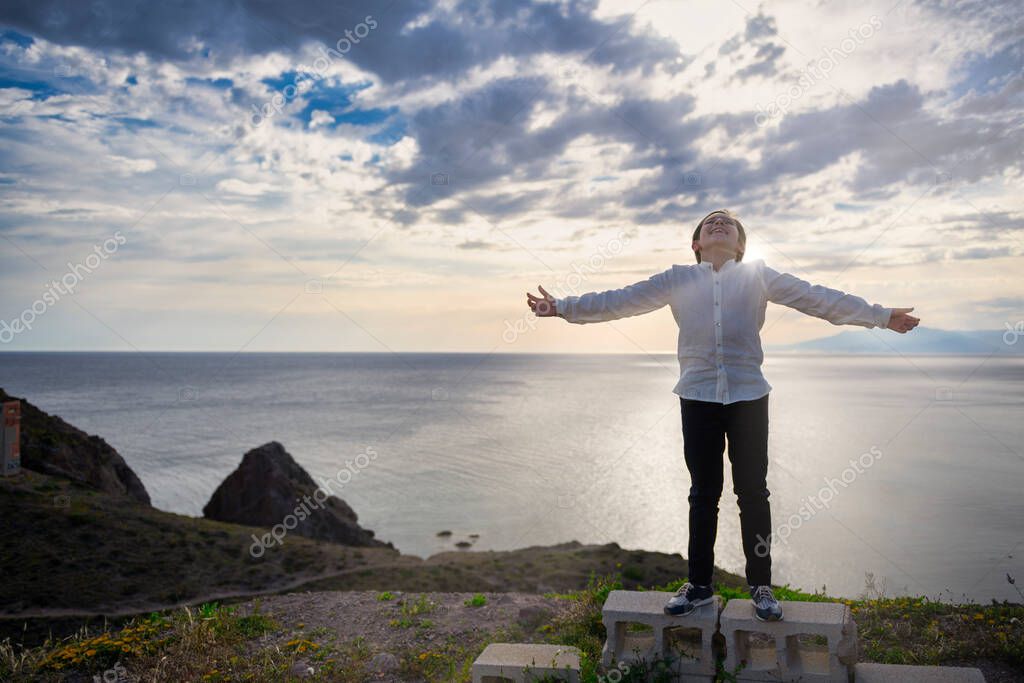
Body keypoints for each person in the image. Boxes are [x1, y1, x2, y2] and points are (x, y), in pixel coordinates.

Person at [526, 209, 919, 622]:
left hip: (749, 395)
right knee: (703, 493)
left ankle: (761, 586)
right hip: (697, 395)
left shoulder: (759, 276)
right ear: (696, 244)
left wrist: (880, 316)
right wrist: (563, 307)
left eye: (727, 223)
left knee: (753, 493)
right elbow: (620, 301)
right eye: (709, 223)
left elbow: (820, 298)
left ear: (740, 245)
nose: (718, 224)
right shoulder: (677, 278)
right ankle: (698, 586)